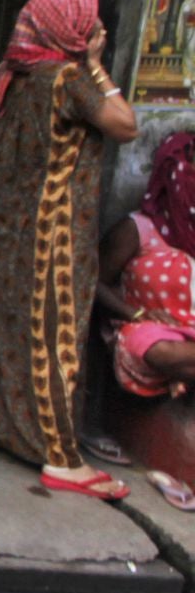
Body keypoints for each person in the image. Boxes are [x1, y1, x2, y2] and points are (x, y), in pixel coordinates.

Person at [0, 0, 139, 500]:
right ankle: (62, 461)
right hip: (49, 232)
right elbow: (126, 125)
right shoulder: (68, 78)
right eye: (89, 22)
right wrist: (95, 64)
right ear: (70, 30)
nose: (99, 29)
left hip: (2, 231)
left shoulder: (17, 73)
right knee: (53, 335)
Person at [99, 131, 195, 398]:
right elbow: (91, 281)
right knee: (160, 350)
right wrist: (134, 314)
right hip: (154, 331)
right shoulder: (137, 229)